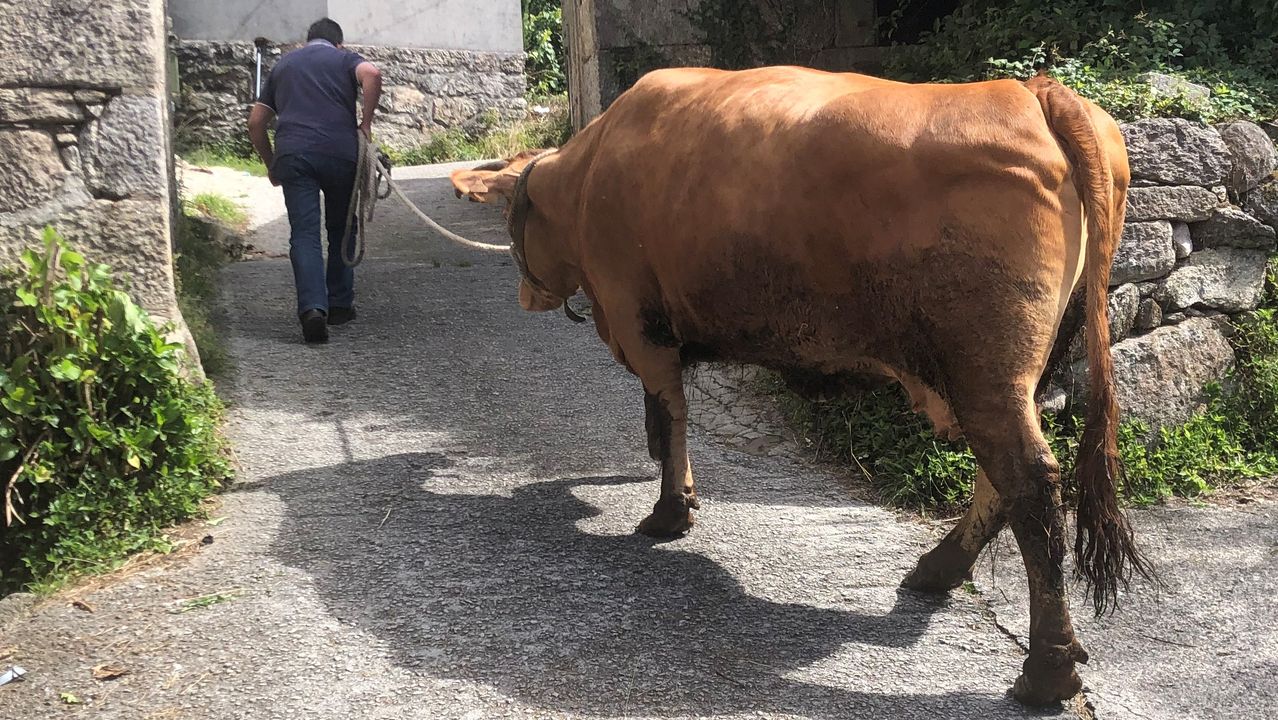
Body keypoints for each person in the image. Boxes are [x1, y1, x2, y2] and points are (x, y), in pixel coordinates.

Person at [248, 18, 383, 343]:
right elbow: (373, 74)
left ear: (307, 42)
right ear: (338, 43)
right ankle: (338, 305)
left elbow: (256, 122)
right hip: (340, 153)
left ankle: (312, 310)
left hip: (294, 155)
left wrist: (272, 164)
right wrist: (365, 123)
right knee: (341, 228)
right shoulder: (344, 59)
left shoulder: (283, 65)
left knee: (305, 235)